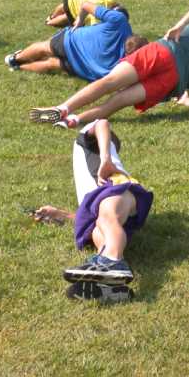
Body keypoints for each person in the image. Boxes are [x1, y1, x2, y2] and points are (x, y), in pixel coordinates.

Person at [29, 0, 189, 127]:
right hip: (162, 53)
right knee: (109, 82)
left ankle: (72, 120)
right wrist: (180, 26)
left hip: (170, 82)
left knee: (119, 102)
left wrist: (188, 102)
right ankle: (62, 109)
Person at [31, 118, 154, 287]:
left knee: (106, 220)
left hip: (115, 187)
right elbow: (90, 214)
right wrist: (61, 214)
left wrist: (106, 159)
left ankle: (112, 261)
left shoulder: (86, 140)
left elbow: (102, 123)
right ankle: (109, 281)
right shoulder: (90, 155)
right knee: (97, 231)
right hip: (101, 203)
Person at [7, 3, 141, 79]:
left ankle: (14, 59)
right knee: (52, 64)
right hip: (84, 68)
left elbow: (86, 5)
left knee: (44, 47)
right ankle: (19, 68)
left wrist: (80, 20)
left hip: (71, 42)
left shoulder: (117, 18)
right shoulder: (130, 41)